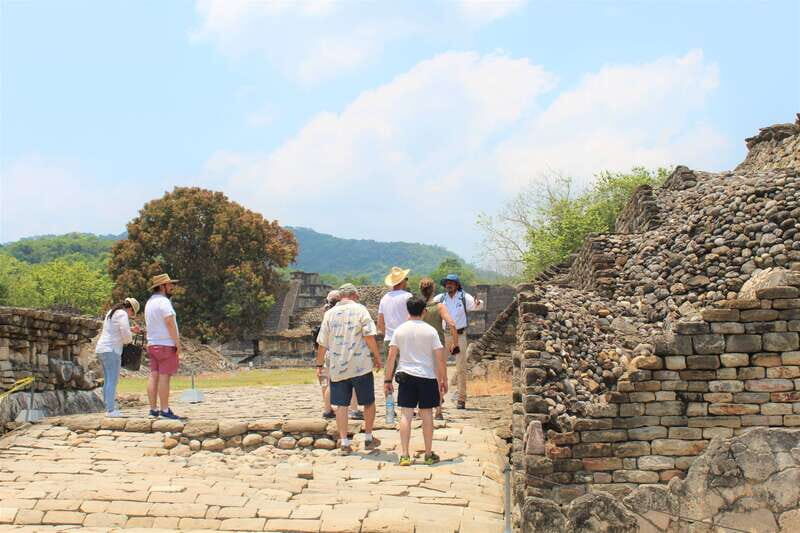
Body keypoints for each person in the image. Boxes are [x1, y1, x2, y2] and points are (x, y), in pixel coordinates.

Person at [315, 284, 383, 453]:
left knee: (341, 406)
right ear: (353, 295)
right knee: (368, 402)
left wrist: (319, 364)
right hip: (360, 365)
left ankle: (345, 442)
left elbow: (322, 343)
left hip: (338, 366)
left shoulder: (329, 314)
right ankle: (368, 437)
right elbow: (369, 335)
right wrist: (377, 356)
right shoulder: (361, 310)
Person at [384, 296, 448, 466]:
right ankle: (428, 454)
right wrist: (443, 380)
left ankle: (405, 454)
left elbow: (391, 357)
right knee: (427, 415)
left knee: (406, 414)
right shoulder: (431, 331)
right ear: (424, 311)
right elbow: (440, 359)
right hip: (426, 376)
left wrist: (387, 379)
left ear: (408, 311)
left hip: (405, 375)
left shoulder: (400, 330)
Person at [434, 274, 483, 409]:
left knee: (461, 367)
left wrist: (478, 303)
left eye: (452, 283)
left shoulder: (463, 297)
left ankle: (461, 398)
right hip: (445, 335)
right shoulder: (441, 298)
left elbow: (476, 305)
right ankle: (439, 396)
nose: (449, 285)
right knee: (440, 366)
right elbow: (430, 307)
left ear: (457, 285)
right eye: (447, 283)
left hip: (460, 335)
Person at [419, 278, 458, 420]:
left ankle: (421, 408)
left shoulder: (419, 307)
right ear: (433, 290)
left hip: (421, 345)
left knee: (420, 376)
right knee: (439, 378)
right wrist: (455, 342)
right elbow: (452, 323)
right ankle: (438, 410)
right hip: (437, 345)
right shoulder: (439, 307)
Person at [145, 273, 183, 420]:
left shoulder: (149, 303)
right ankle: (165, 409)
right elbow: (169, 322)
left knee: (153, 376)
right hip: (166, 344)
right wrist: (177, 342)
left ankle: (153, 409)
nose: (171, 287)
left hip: (153, 343)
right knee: (164, 377)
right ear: (162, 286)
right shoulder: (164, 302)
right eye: (169, 284)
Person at [95, 297, 141, 417]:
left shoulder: (112, 312)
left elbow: (114, 329)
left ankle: (107, 406)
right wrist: (129, 341)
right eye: (132, 312)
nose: (131, 315)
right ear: (130, 308)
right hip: (112, 350)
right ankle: (111, 410)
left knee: (107, 379)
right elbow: (125, 333)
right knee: (113, 380)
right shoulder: (122, 314)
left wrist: (131, 330)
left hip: (102, 348)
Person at [314, 290, 340, 419]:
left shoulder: (326, 312)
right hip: (335, 349)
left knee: (325, 381)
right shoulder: (336, 313)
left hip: (324, 349)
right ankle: (346, 408)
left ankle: (327, 408)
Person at [377, 266, 412, 347]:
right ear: (402, 281)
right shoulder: (408, 296)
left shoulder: (384, 299)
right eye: (406, 279)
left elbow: (380, 324)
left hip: (389, 340)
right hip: (405, 339)